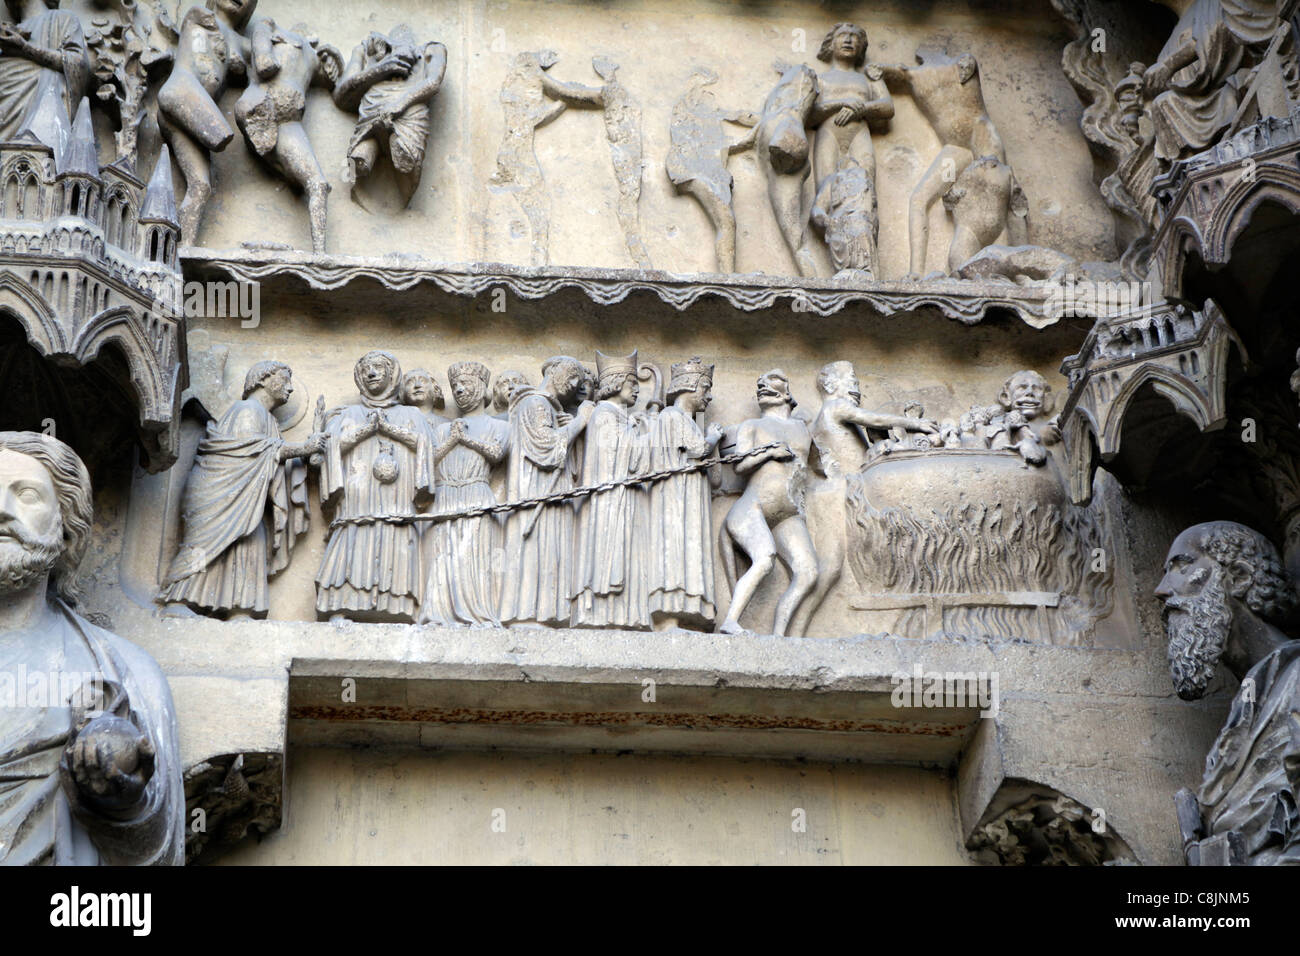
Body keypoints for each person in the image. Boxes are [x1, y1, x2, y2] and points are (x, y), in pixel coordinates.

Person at [0, 431, 184, 864]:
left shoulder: (124, 671)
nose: (2, 511)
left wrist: (122, 802)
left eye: (25, 494)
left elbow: (162, 851)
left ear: (66, 525)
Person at [1157, 521, 1300, 864]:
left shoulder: (1296, 682)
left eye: (1180, 566)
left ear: (1238, 576)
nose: (1161, 590)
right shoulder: (1236, 726)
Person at [159, 361, 321, 617]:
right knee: (211, 542)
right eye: (284, 379)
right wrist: (304, 448)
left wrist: (308, 450)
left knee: (248, 543)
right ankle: (178, 601)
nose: (289, 389)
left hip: (246, 497)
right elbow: (254, 450)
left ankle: (239, 609)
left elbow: (267, 455)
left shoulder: (267, 419)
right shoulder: (248, 410)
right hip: (219, 492)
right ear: (264, 379)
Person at [315, 351, 435, 621]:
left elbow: (425, 444)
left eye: (378, 368)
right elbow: (331, 446)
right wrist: (366, 429)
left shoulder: (410, 414)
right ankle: (342, 605)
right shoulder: (349, 414)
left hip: (398, 495)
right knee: (353, 537)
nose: (371, 374)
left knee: (397, 536)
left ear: (391, 374)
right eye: (366, 369)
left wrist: (390, 430)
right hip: (357, 495)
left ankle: (400, 609)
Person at [498, 355, 594, 626]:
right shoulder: (536, 403)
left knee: (550, 554)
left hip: (551, 495)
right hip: (537, 494)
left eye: (578, 378)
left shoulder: (549, 409)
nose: (574, 382)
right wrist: (580, 422)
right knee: (538, 552)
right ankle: (530, 615)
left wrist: (568, 426)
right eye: (570, 373)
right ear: (551, 370)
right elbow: (548, 450)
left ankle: (546, 614)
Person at [156, 0, 257, 244]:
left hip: (187, 113)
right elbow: (214, 39)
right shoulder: (199, 15)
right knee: (221, 133)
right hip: (182, 92)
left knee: (201, 185)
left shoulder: (237, 40)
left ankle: (182, 249)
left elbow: (263, 54)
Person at [421, 361, 510, 627]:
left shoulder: (500, 427)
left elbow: (496, 453)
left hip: (476, 491)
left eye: (466, 384)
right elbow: (427, 461)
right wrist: (451, 440)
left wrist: (466, 440)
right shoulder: (440, 430)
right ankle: (439, 613)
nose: (459, 389)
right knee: (442, 555)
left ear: (483, 389)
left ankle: (477, 612)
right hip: (446, 494)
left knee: (475, 555)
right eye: (455, 386)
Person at [571, 350, 651, 629]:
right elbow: (624, 460)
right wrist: (648, 433)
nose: (637, 390)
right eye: (633, 383)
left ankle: (622, 613)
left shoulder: (618, 416)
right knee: (609, 553)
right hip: (610, 496)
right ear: (616, 383)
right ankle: (608, 613)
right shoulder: (605, 414)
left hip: (620, 495)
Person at [648, 357, 722, 630]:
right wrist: (712, 439)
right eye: (705, 388)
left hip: (692, 499)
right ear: (689, 387)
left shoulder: (692, 425)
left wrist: (710, 442)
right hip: (674, 498)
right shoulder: (671, 416)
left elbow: (715, 479)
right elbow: (697, 450)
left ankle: (690, 613)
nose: (709, 396)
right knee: (675, 552)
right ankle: (669, 619)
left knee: (690, 551)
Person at [0, 0, 90, 144]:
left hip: (43, 110)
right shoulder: (6, 34)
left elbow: (78, 64)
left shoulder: (62, 18)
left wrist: (26, 48)